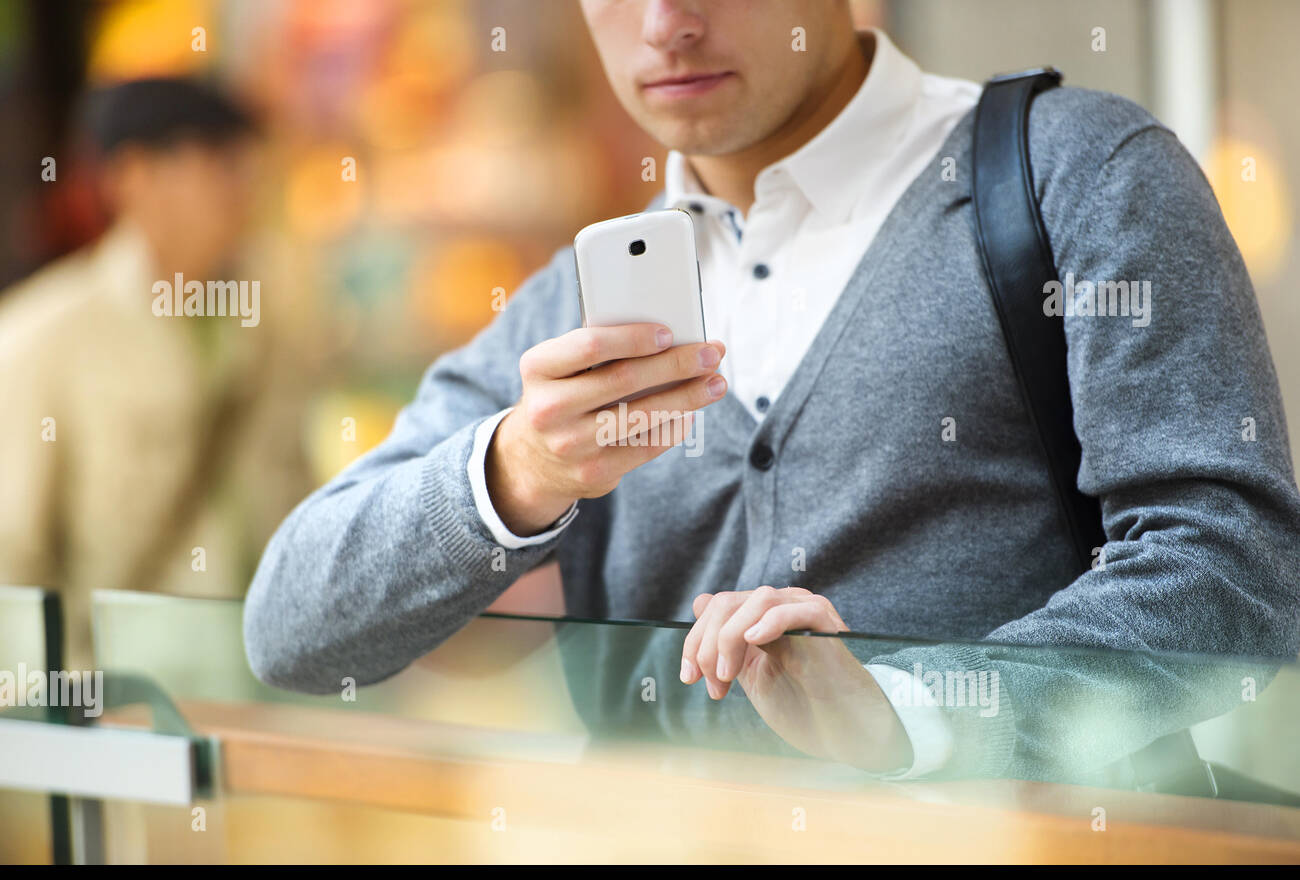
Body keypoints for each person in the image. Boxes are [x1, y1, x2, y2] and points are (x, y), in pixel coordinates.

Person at [244, 1, 1300, 782]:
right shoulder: (566, 308)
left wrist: (911, 714)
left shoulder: (1078, 172)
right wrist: (516, 470)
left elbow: (1235, 570)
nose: (665, 25)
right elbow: (290, 628)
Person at [0, 78, 313, 668]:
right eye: (216, 164)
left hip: (265, 690)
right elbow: (12, 559)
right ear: (133, 177)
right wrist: (62, 711)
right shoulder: (42, 338)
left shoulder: (270, 326)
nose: (243, 189)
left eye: (247, 165)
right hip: (124, 706)